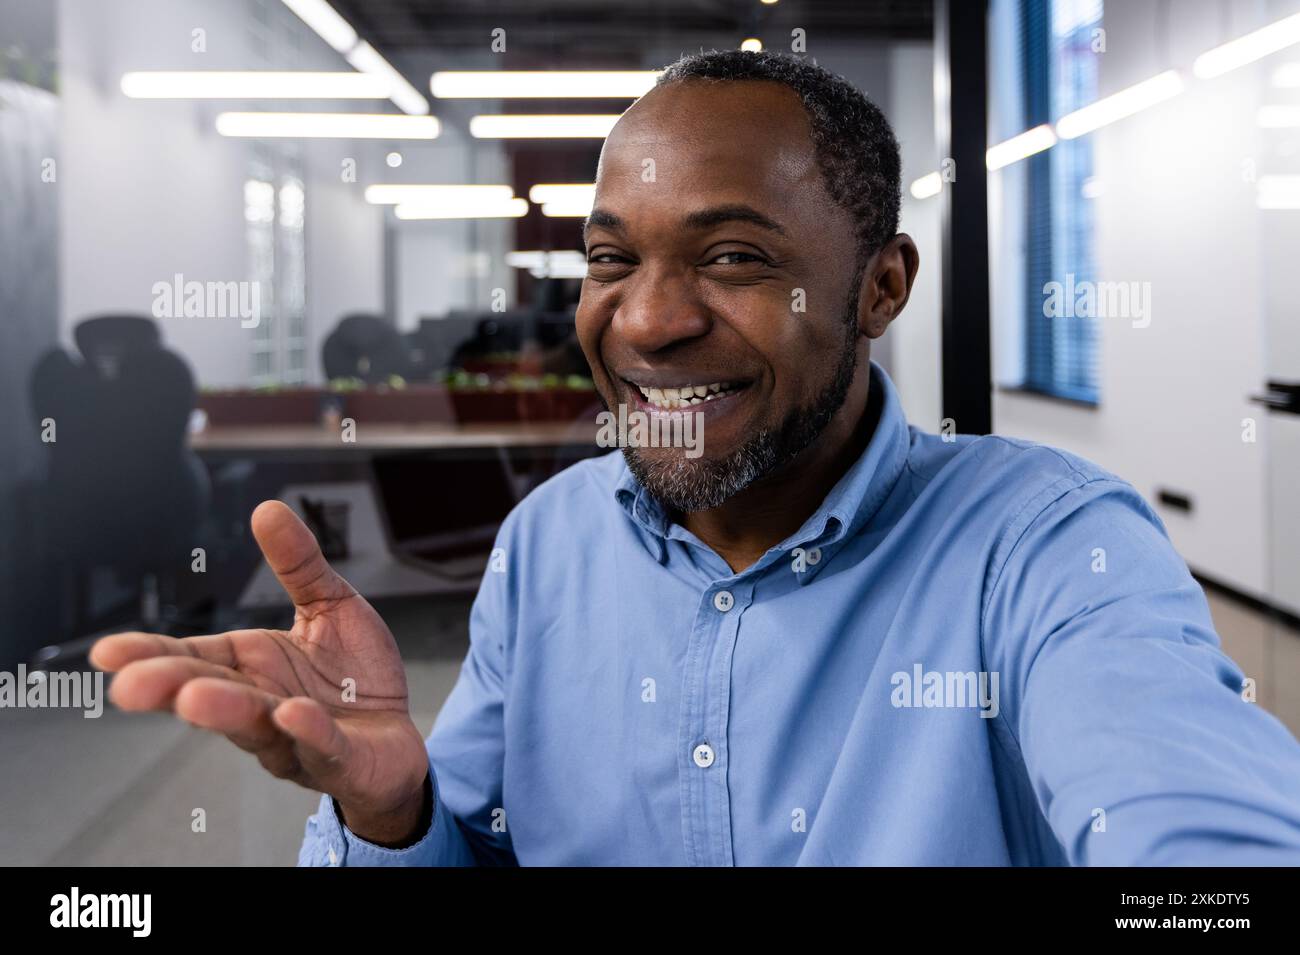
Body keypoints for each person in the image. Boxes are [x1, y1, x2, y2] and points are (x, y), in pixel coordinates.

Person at [91, 50, 1300, 865]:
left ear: (878, 287)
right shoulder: (549, 543)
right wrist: (392, 810)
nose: (647, 321)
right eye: (611, 259)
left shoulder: (1043, 545)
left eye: (730, 258)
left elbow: (1199, 843)